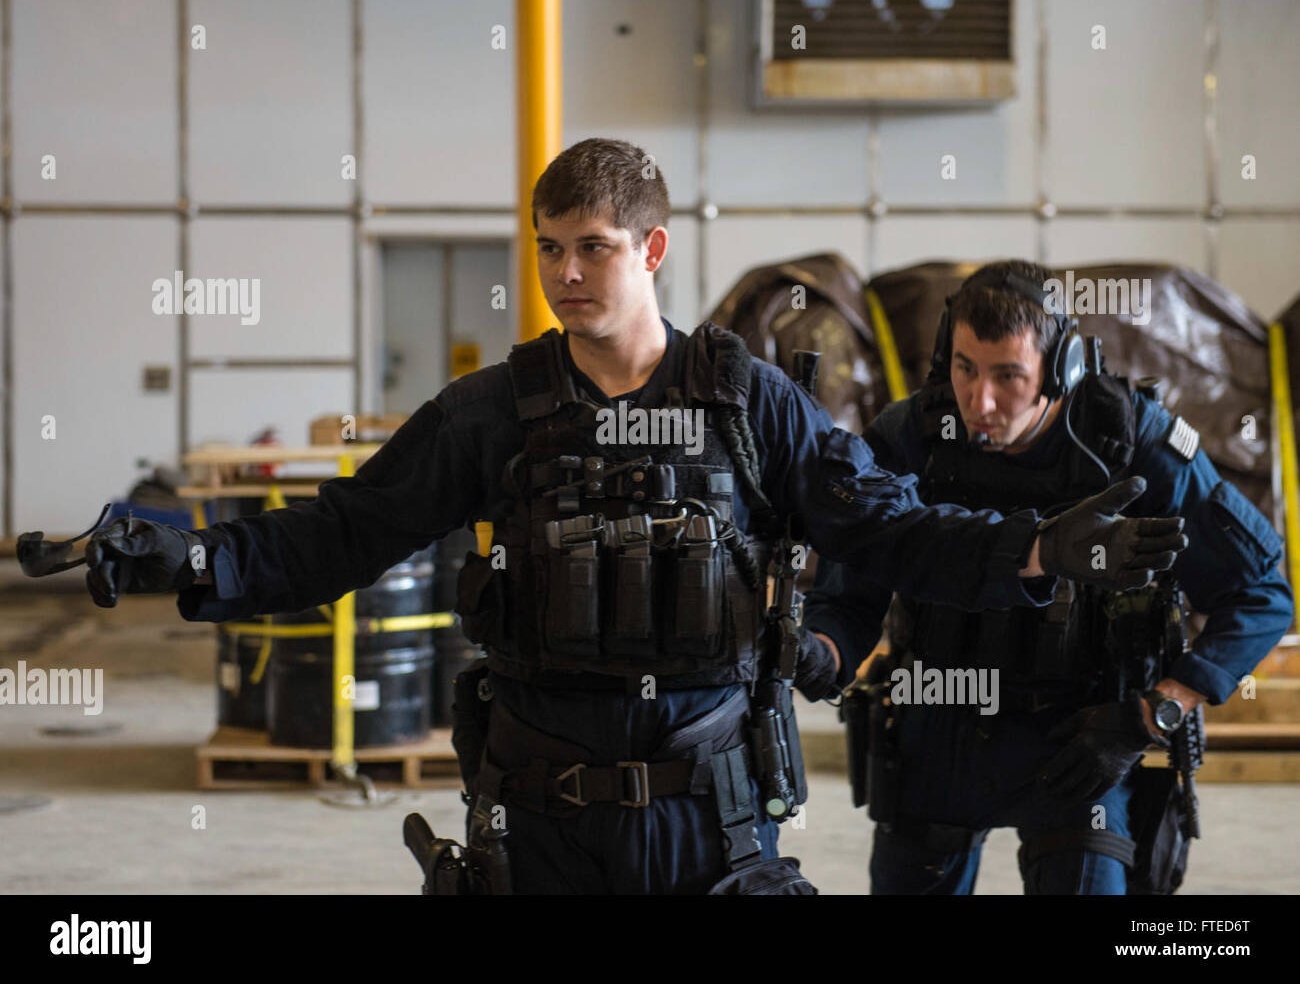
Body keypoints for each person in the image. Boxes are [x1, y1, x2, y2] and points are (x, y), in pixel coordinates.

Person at [75, 142, 1186, 895]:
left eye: (591, 247)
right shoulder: (492, 411)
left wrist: (1035, 549)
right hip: (536, 820)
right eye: (548, 247)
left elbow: (888, 527)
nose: (564, 274)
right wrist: (195, 555)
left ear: (650, 250)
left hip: (714, 820)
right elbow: (348, 530)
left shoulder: (750, 402)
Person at [805, 260, 1293, 895]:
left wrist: (1153, 714)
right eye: (964, 368)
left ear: (1059, 369)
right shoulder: (913, 436)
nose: (979, 401)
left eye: (1008, 375)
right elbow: (852, 586)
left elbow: (1259, 594)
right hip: (941, 719)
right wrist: (822, 652)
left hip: (1084, 735)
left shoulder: (1128, 441)